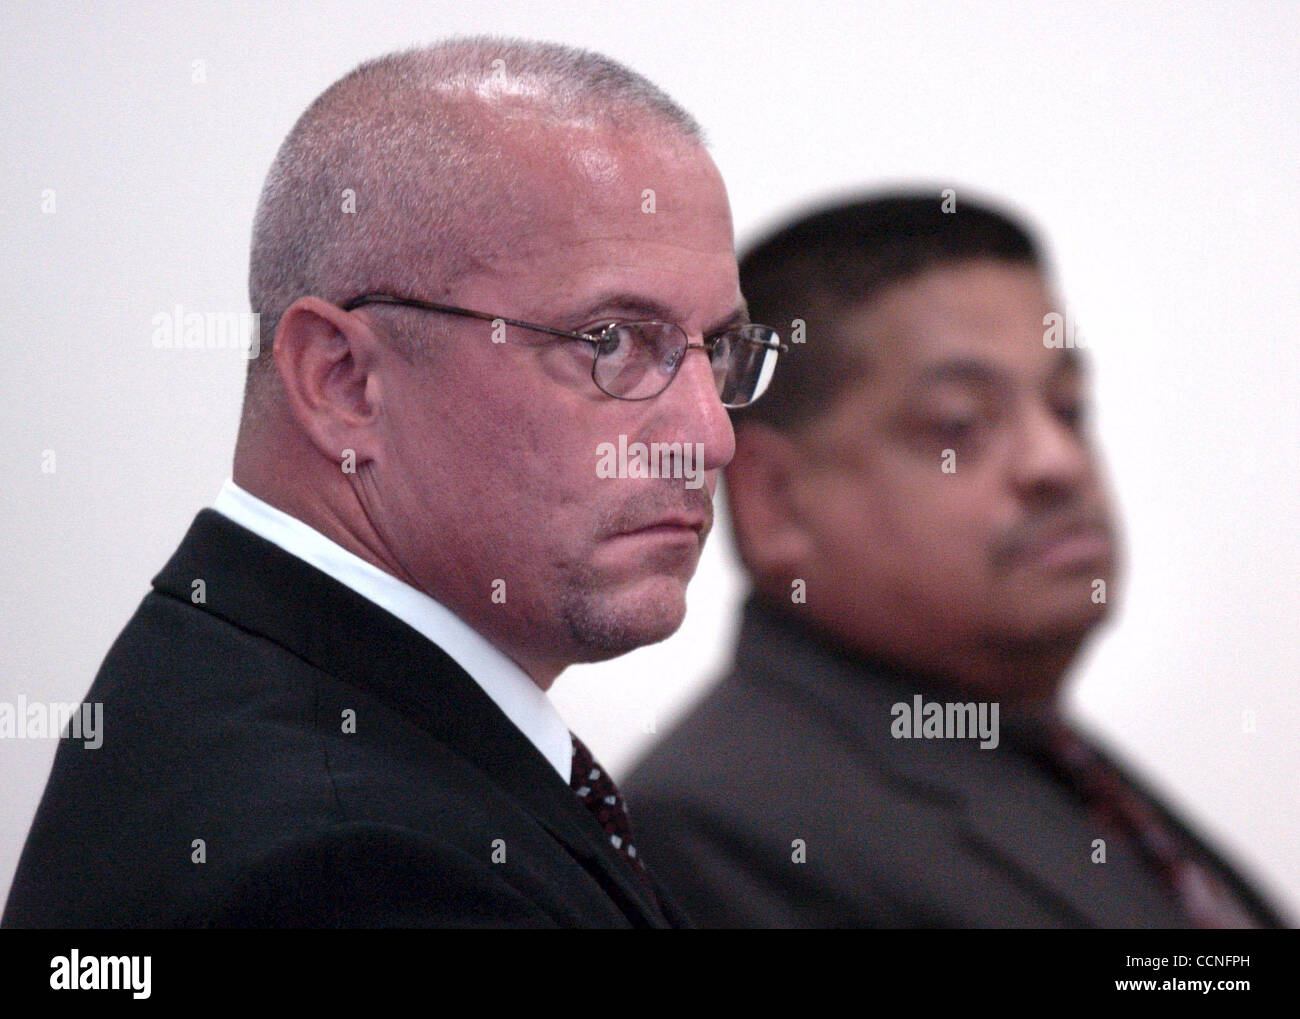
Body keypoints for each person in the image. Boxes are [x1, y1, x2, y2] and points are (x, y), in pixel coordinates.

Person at [2, 38, 783, 928]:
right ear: (342, 381)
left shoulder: (274, 690)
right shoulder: (354, 870)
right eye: (610, 341)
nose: (710, 436)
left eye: (716, 350)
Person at [625, 192, 1285, 928]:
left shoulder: (1031, 744)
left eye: (1067, 407)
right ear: (777, 502)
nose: (1057, 462)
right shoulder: (719, 829)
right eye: (960, 425)